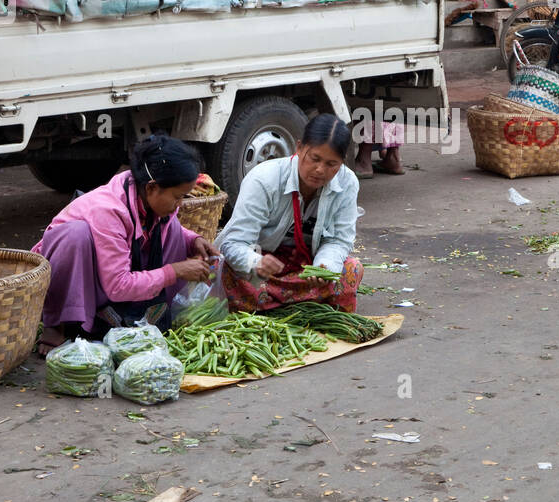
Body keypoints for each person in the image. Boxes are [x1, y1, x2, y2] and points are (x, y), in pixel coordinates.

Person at [32, 136, 219, 355]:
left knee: (175, 229)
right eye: (177, 197)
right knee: (76, 235)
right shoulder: (109, 210)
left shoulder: (151, 199)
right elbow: (118, 285)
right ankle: (60, 323)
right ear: (151, 188)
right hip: (82, 275)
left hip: (118, 266)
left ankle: (156, 314)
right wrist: (175, 271)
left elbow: (163, 231)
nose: (180, 204)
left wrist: (193, 240)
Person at [215, 113, 363, 312]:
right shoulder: (264, 179)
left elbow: (339, 240)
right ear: (299, 148)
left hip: (306, 267)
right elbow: (233, 243)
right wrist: (256, 263)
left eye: (331, 164)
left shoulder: (347, 182)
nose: (320, 170)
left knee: (351, 270)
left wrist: (323, 267)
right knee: (223, 272)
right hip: (265, 268)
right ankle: (306, 306)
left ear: (342, 162)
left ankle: (275, 308)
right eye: (314, 158)